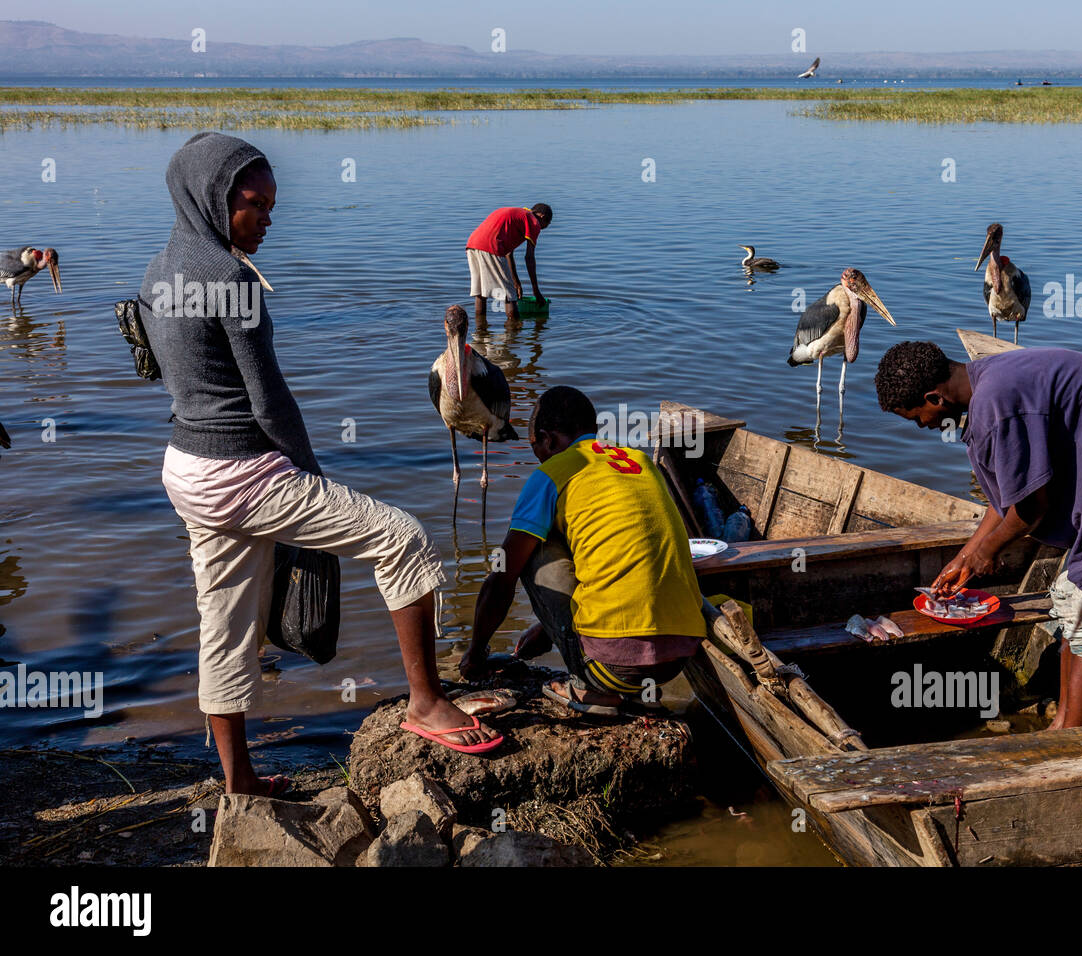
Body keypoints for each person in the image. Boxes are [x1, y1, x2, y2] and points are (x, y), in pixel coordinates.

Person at [140, 133, 501, 796]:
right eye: (254, 205)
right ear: (214, 200)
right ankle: (425, 703)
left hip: (185, 469)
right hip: (242, 472)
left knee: (224, 619)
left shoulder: (159, 269)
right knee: (403, 539)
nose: (267, 219)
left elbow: (160, 363)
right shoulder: (230, 280)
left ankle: (239, 780)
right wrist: (310, 475)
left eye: (272, 206)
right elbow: (270, 400)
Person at [874, 341, 1082, 728]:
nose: (924, 426)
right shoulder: (990, 380)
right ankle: (1062, 724)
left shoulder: (995, 408)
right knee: (1070, 599)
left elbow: (1030, 511)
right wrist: (967, 556)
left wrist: (987, 551)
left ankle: (1073, 739)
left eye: (917, 417)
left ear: (933, 397)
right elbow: (1012, 496)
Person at [460, 386, 705, 715]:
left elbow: (502, 580)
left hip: (612, 667)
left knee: (525, 548)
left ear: (547, 440)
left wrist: (475, 655)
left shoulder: (552, 473)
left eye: (538, 451)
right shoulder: (641, 462)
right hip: (681, 656)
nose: (541, 461)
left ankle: (595, 689)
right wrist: (549, 629)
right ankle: (630, 688)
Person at [465, 203, 551, 324]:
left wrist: (516, 282)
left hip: (472, 244)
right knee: (510, 296)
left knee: (480, 292)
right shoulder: (533, 222)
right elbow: (529, 258)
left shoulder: (519, 215)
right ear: (542, 217)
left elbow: (508, 254)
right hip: (492, 246)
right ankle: (513, 334)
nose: (540, 230)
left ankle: (480, 329)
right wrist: (536, 291)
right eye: (544, 226)